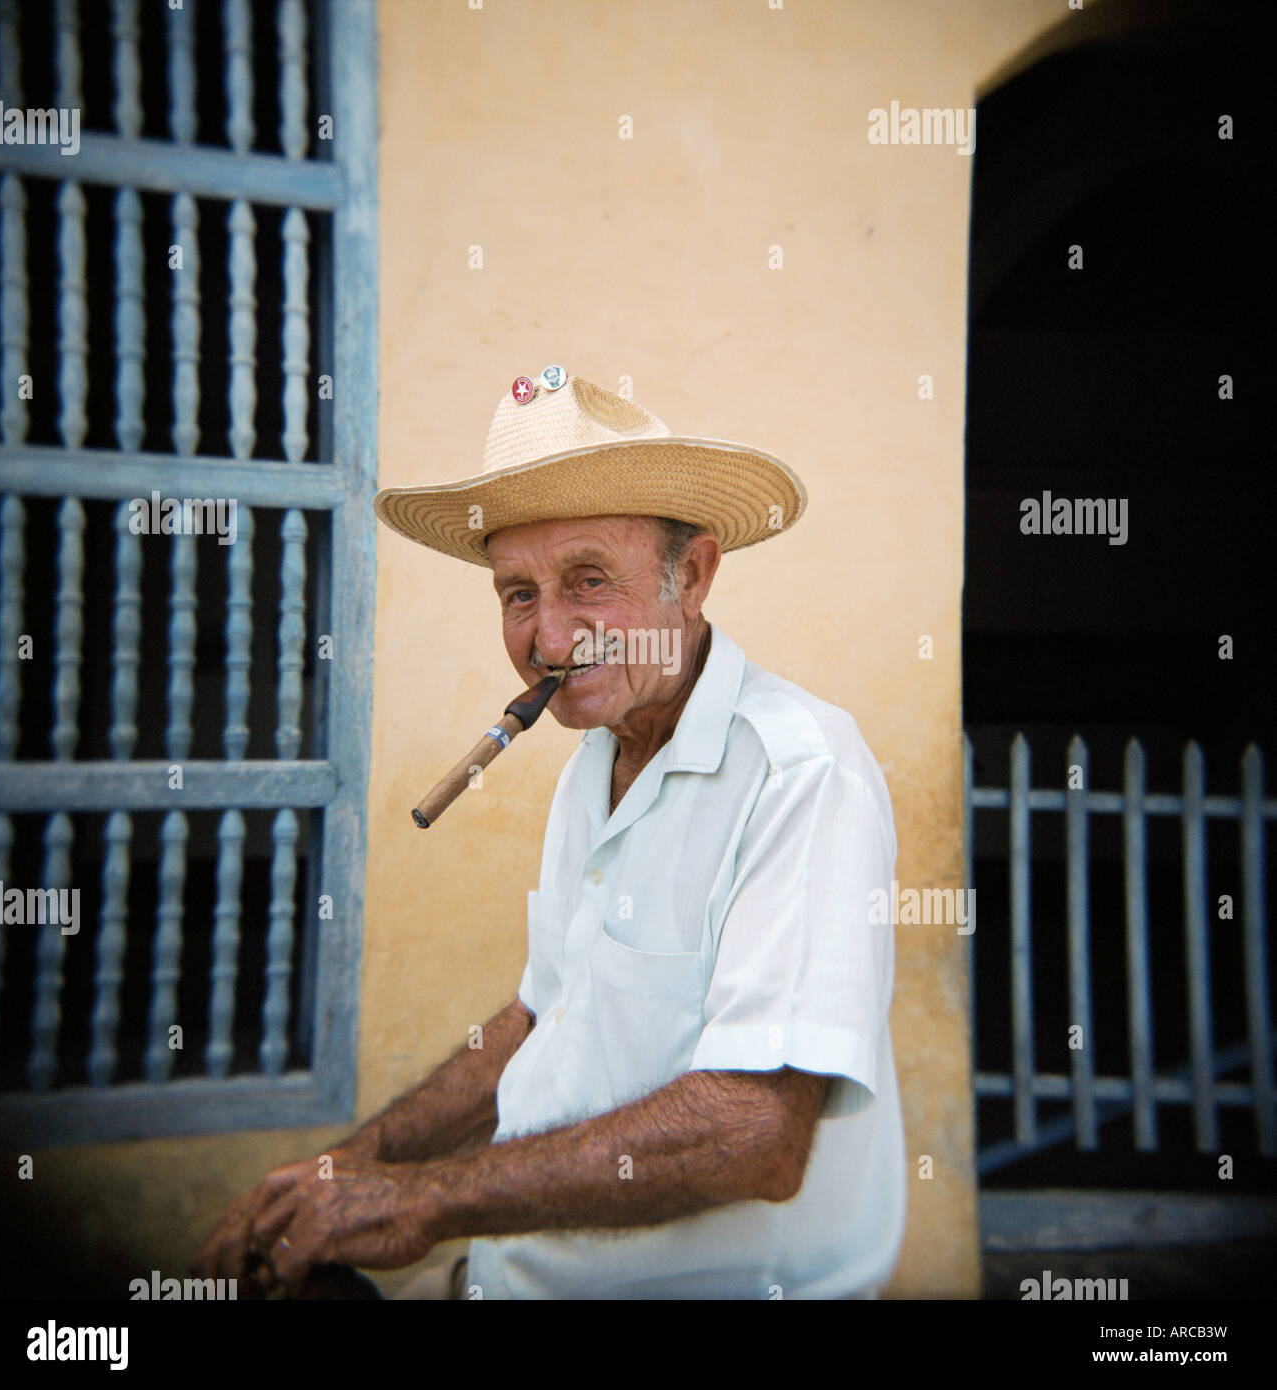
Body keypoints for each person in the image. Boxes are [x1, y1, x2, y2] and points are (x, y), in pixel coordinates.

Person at [191, 369, 904, 1299]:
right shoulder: (591, 765)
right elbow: (540, 1017)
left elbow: (755, 1131)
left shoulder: (800, 771)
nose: (550, 637)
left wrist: (426, 1202)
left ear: (690, 576)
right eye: (517, 594)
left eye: (588, 581)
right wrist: (349, 1168)